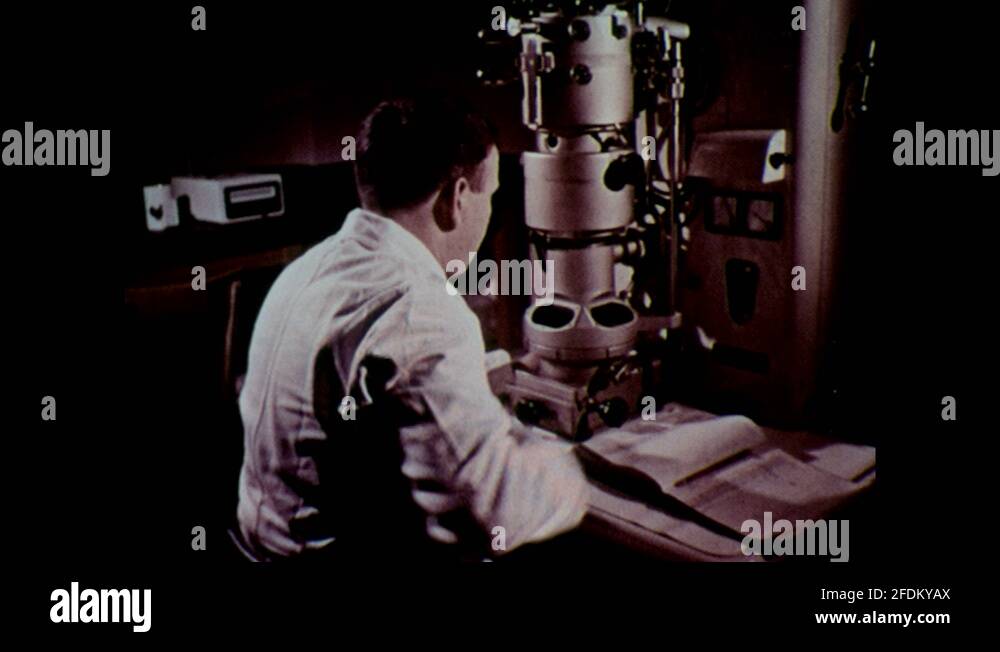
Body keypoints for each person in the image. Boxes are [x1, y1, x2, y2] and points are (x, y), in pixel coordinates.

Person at [235, 96, 589, 561]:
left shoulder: (305, 271)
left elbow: (375, 383)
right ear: (457, 198)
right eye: (492, 196)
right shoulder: (420, 313)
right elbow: (490, 512)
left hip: (258, 543)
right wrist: (567, 466)